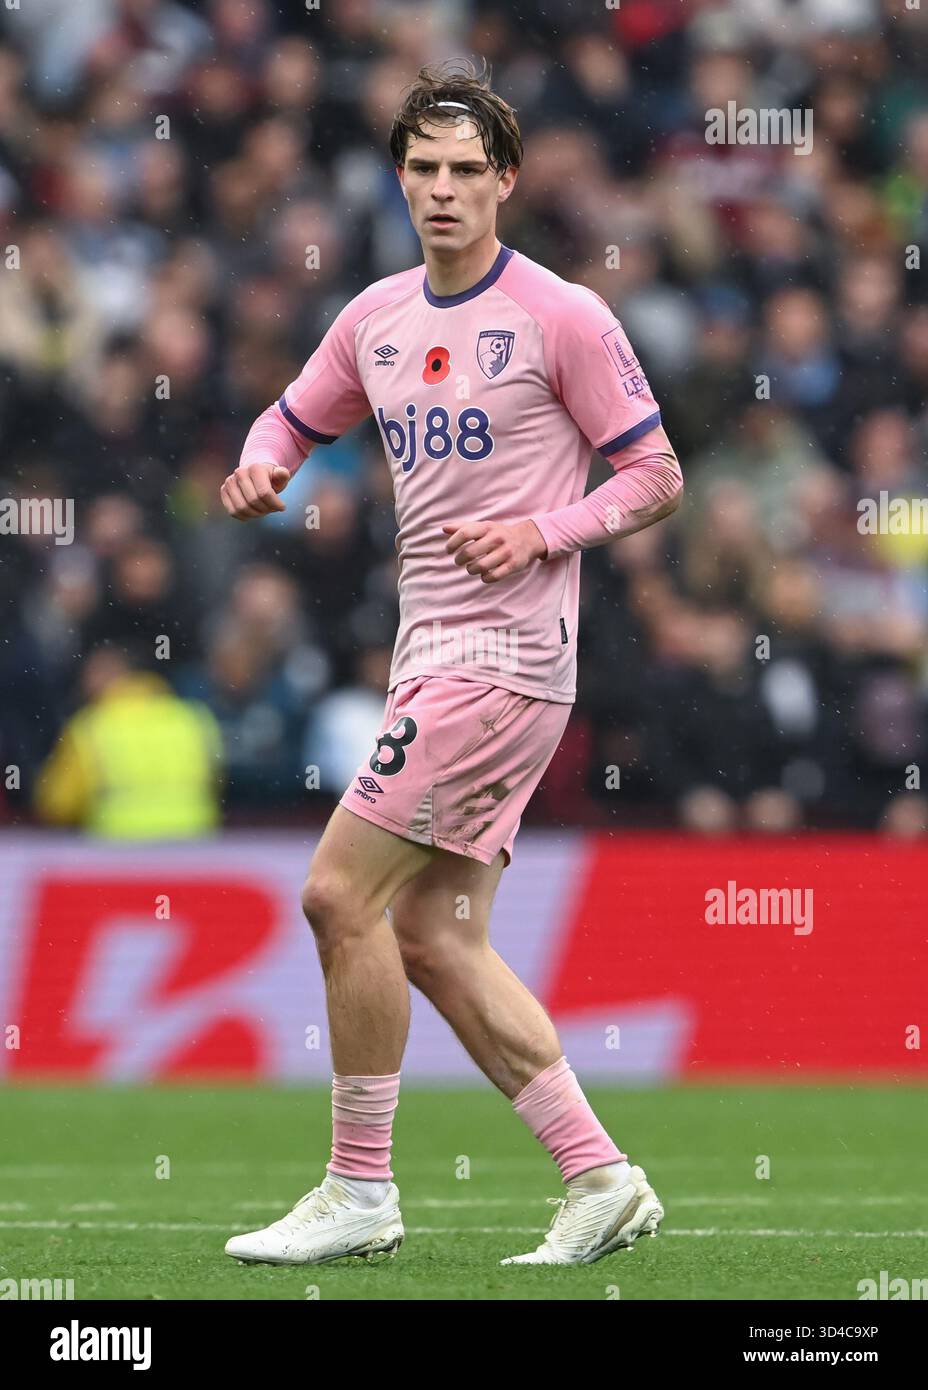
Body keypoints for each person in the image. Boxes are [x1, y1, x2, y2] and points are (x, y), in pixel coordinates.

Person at [220, 59, 683, 1268]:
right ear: (399, 177)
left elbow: (653, 475)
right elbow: (290, 413)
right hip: (428, 650)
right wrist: (263, 461)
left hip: (507, 655)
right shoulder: (373, 316)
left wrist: (542, 529)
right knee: (430, 934)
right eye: (421, 168)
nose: (440, 190)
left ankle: (360, 1187)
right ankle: (600, 1174)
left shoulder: (564, 315)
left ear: (506, 182)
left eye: (464, 170)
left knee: (335, 894)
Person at [33, 646, 223, 839]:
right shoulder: (193, 718)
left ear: (116, 674)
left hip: (119, 851)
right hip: (194, 846)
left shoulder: (91, 726)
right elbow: (218, 782)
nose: (86, 683)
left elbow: (57, 805)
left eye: (94, 673)